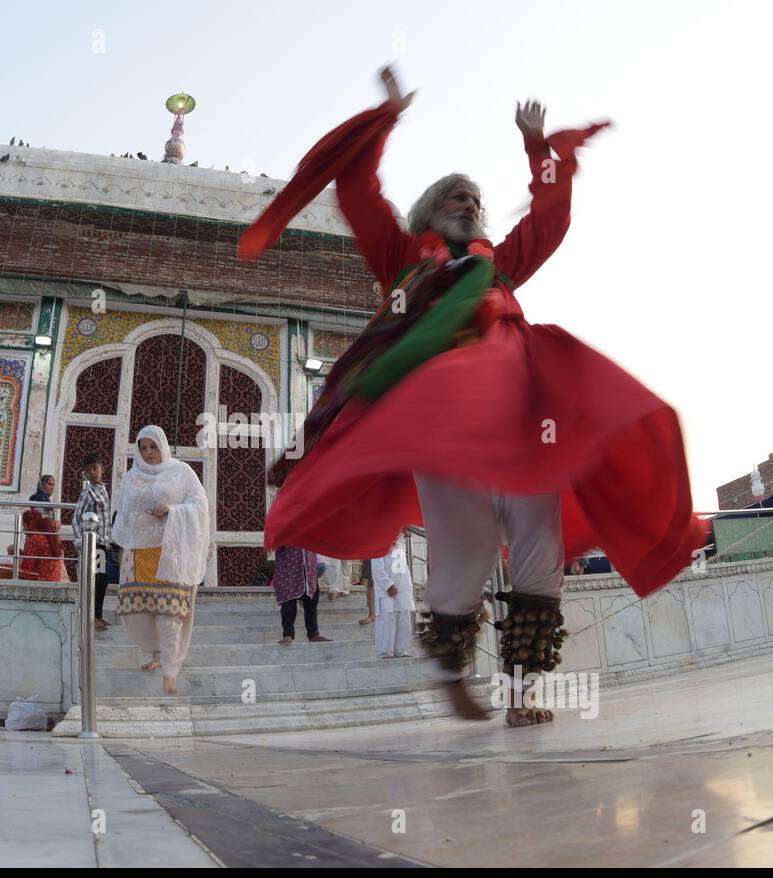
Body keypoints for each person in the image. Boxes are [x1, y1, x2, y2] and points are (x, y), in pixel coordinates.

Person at [241, 66, 708, 727]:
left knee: (537, 539)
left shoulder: (498, 265)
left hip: (522, 416)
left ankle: (523, 690)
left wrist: (537, 147)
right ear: (429, 212)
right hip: (438, 418)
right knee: (463, 546)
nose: (467, 204)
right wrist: (388, 117)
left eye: (474, 199)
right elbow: (358, 188)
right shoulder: (402, 259)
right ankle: (451, 665)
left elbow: (552, 214)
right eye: (455, 197)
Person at [111, 425, 210, 694]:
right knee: (140, 612)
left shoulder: (181, 472)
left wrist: (171, 510)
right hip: (138, 553)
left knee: (169, 610)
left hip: (170, 551)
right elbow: (124, 514)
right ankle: (157, 654)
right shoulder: (132, 477)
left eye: (153, 446)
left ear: (163, 445)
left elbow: (200, 507)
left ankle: (170, 669)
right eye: (143, 448)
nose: (148, 453)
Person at [72, 452, 114, 629]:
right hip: (93, 543)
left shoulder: (103, 490)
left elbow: (105, 518)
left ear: (101, 469)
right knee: (96, 579)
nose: (92, 473)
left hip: (103, 544)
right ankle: (91, 617)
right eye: (88, 470)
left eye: (95, 468)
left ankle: (98, 614)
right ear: (85, 474)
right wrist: (79, 541)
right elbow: (77, 517)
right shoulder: (87, 493)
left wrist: (110, 540)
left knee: (103, 579)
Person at [273, 545, 331, 645]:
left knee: (311, 599)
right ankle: (288, 634)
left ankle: (313, 634)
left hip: (308, 563)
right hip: (289, 563)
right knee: (289, 599)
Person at [371, 537, 415, 658]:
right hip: (387, 592)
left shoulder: (401, 546)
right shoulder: (378, 546)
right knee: (386, 621)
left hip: (403, 590)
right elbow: (377, 570)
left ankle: (402, 650)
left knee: (404, 621)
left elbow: (405, 568)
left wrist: (408, 587)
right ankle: (385, 651)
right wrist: (388, 585)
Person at [20, 477, 67, 581]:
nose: (52, 487)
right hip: (41, 533)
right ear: (42, 485)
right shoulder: (37, 498)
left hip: (42, 536)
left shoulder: (46, 500)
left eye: (53, 485)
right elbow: (39, 519)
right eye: (49, 484)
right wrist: (52, 524)